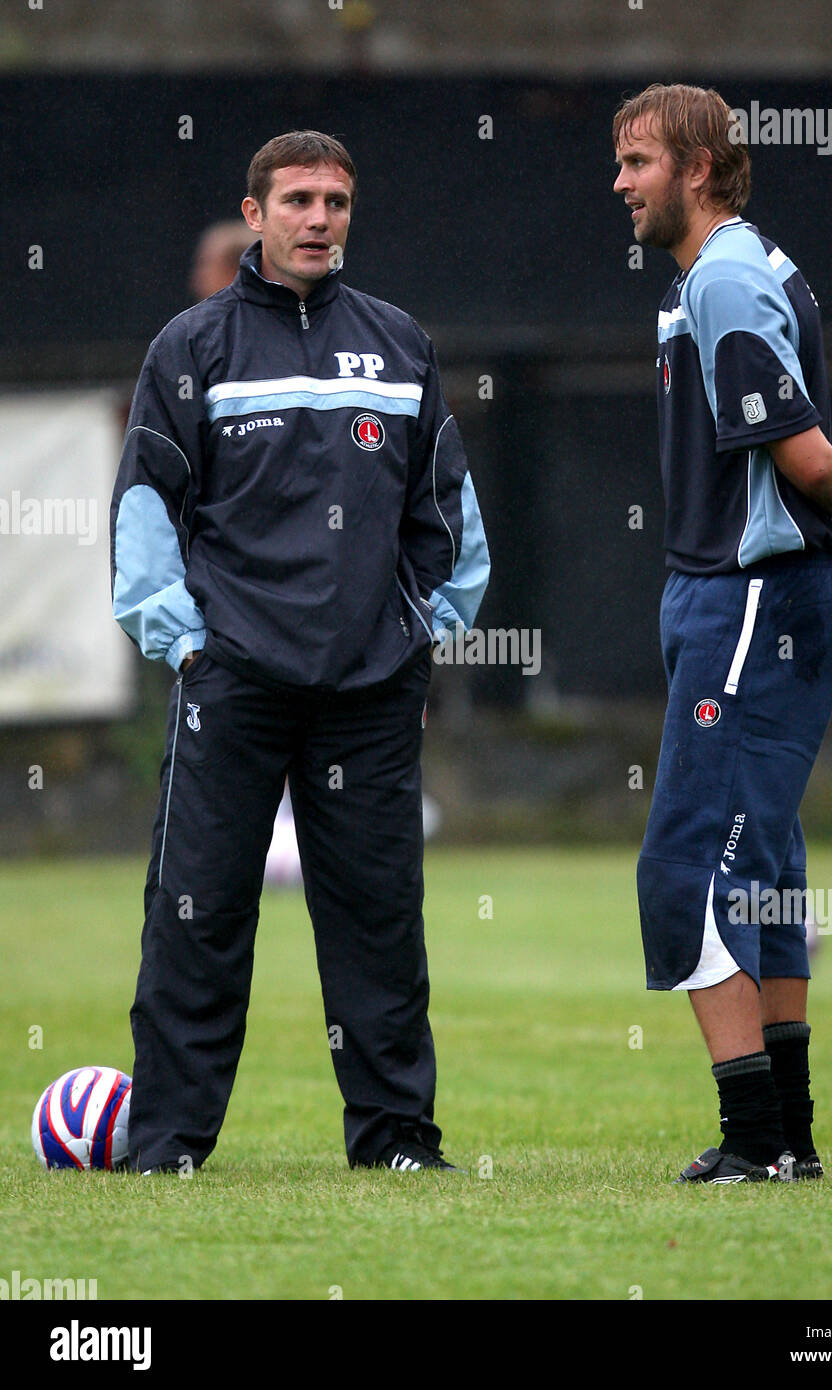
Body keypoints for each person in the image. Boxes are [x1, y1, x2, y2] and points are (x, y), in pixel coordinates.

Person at [110, 130, 490, 1175]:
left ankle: (397, 1141)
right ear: (257, 214)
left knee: (378, 923)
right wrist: (185, 646)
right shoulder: (191, 348)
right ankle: (169, 1146)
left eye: (335, 200)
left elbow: (448, 518)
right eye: (298, 200)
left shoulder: (401, 343)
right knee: (197, 915)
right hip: (230, 682)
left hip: (369, 691)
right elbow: (144, 512)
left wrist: (417, 639)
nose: (319, 217)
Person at [612, 84, 832, 1183]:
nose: (622, 183)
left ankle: (754, 1138)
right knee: (767, 866)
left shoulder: (726, 273)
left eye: (639, 161)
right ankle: (789, 1135)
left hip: (750, 592)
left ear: (699, 166)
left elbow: (790, 436)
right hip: (745, 591)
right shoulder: (737, 268)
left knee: (688, 866)